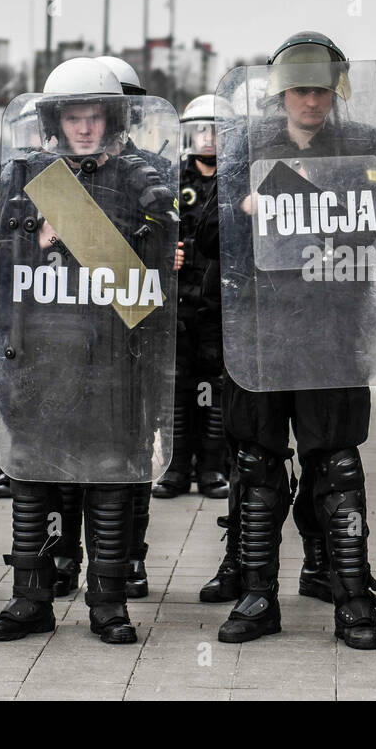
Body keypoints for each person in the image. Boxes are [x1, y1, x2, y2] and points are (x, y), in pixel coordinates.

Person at [212, 32, 376, 649]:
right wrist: (239, 210)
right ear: (281, 91)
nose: (312, 101)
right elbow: (207, 230)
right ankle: (256, 594)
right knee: (258, 467)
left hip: (334, 326)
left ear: (336, 91)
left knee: (338, 466)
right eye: (301, 89)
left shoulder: (360, 143)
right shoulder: (246, 145)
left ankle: (351, 594)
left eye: (322, 90)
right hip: (263, 328)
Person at [0, 58, 179, 644]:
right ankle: (29, 600)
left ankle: (108, 605)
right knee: (33, 482)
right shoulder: (23, 176)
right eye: (73, 117)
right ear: (54, 120)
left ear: (110, 119)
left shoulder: (144, 179)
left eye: (94, 117)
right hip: (39, 357)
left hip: (114, 357)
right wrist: (33, 240)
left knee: (111, 481)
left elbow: (158, 275)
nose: (84, 128)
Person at [151, 94, 230, 501]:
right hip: (177, 303)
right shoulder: (169, 180)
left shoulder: (236, 180)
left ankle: (213, 468)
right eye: (201, 129)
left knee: (212, 386)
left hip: (219, 304)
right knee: (177, 388)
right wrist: (165, 254)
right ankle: (175, 468)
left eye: (216, 129)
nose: (208, 137)